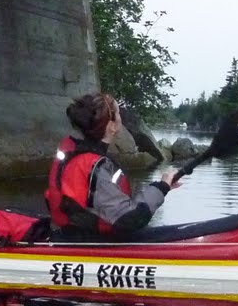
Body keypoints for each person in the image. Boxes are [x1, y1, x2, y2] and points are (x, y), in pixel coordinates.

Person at [44, 91, 181, 237]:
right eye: (118, 112)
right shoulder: (95, 167)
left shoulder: (75, 155)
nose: (121, 116)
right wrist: (161, 187)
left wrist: (163, 186)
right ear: (112, 126)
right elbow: (129, 219)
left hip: (70, 235)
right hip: (89, 243)